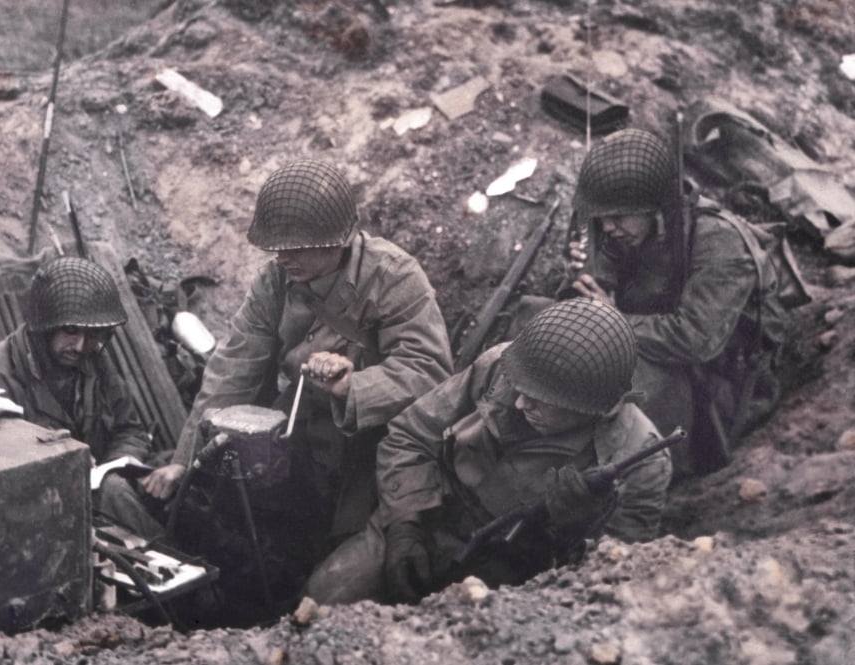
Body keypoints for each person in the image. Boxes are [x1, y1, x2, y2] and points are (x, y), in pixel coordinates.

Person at [142, 159, 454, 605]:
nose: (283, 257)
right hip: (295, 435)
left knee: (336, 570)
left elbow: (429, 371)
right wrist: (184, 459)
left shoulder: (394, 277)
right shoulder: (276, 282)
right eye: (277, 247)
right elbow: (232, 371)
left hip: (372, 447)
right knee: (245, 523)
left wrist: (353, 386)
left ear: (339, 240)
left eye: (299, 247)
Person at [305, 297, 673, 605]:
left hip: (516, 569)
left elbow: (606, 589)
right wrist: (405, 525)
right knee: (325, 595)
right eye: (521, 387)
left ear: (591, 407)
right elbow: (409, 434)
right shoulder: (507, 366)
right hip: (430, 512)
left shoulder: (639, 459)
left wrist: (570, 531)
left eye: (543, 400)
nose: (520, 402)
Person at [564, 127, 787, 476]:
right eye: (602, 217)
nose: (608, 227)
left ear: (657, 208)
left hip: (716, 382)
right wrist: (583, 275)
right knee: (538, 319)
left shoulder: (721, 244)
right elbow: (604, 278)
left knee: (608, 388)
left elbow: (696, 339)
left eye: (618, 216)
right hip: (659, 347)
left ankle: (636, 483)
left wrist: (614, 321)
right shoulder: (639, 228)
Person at [0, 256, 166, 540]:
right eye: (71, 331)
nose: (79, 346)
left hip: (93, 494)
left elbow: (130, 429)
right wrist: (59, 467)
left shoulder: (92, 359)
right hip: (30, 512)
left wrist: (111, 470)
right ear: (46, 327)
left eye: (92, 335)